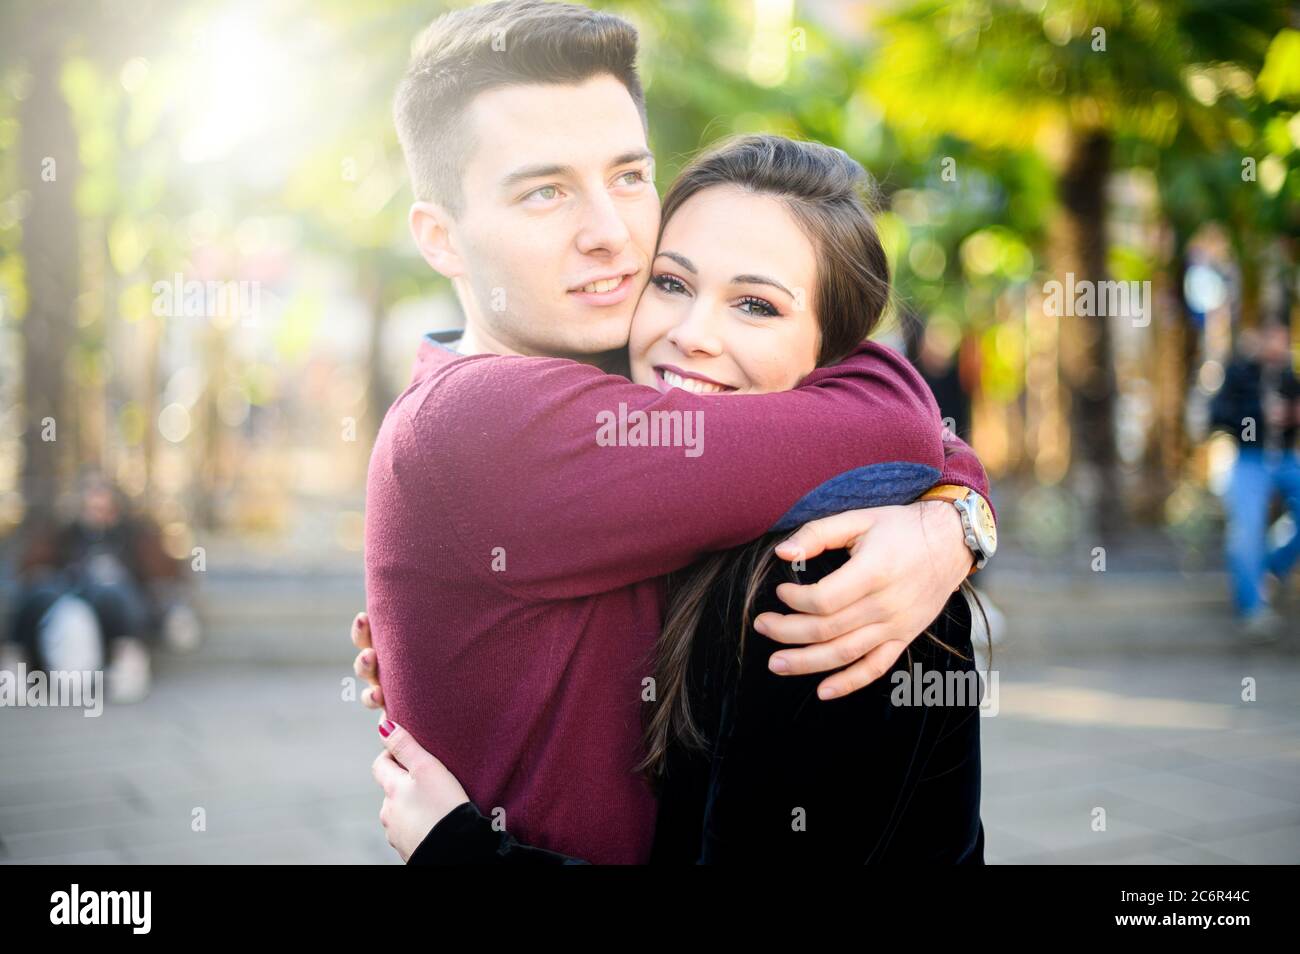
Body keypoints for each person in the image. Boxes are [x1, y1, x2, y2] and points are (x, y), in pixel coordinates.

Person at [359, 0, 995, 864]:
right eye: (545, 192)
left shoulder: (622, 385)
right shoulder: (480, 427)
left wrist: (955, 517)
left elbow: (868, 414)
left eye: (627, 176)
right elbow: (884, 417)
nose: (610, 234)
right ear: (442, 239)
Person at [3, 473, 191, 703]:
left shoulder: (132, 535)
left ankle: (127, 662)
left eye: (103, 505)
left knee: (111, 591)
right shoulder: (66, 534)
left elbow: (166, 572)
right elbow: (32, 566)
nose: (97, 512)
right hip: (70, 597)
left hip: (116, 600)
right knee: (41, 590)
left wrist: (172, 607)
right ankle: (15, 665)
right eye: (91, 506)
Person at [1210, 321, 1300, 637]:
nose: (1277, 347)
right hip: (1249, 458)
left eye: (1282, 341)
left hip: (1286, 457)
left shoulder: (1290, 378)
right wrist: (1259, 414)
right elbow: (1217, 417)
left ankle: (1269, 568)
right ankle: (1252, 608)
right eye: (1271, 340)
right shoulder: (1238, 375)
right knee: (1247, 528)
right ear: (1260, 342)